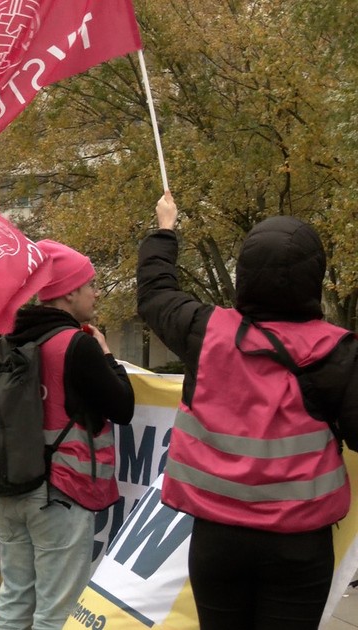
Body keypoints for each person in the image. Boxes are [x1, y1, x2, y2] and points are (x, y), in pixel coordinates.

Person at [138, 193, 358, 629]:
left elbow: (155, 294)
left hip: (217, 541)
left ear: (243, 275)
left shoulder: (204, 331)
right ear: (313, 276)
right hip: (299, 545)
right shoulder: (339, 353)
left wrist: (165, 230)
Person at [0, 240, 134, 630]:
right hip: (61, 493)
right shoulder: (77, 344)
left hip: (11, 484)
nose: (96, 292)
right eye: (91, 284)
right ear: (69, 292)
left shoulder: (12, 339)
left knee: (14, 601)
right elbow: (122, 407)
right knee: (57, 612)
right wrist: (107, 356)